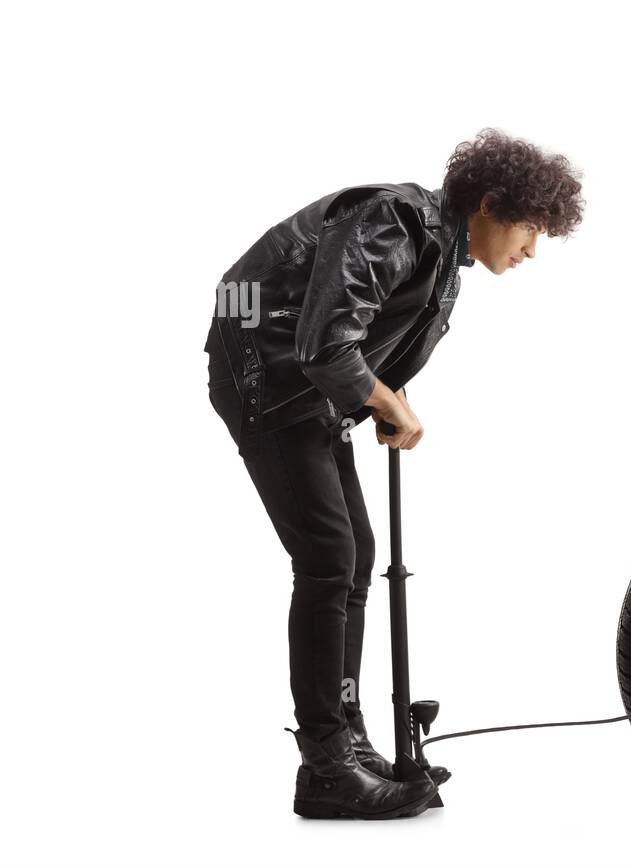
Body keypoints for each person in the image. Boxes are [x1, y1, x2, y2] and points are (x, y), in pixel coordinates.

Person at [203, 129, 585, 819]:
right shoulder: (395, 220)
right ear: (489, 204)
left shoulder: (440, 260)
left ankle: (348, 746)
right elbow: (325, 343)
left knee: (355, 555)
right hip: (266, 376)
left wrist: (387, 395)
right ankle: (325, 768)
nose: (532, 249)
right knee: (328, 557)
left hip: (306, 389)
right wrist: (382, 400)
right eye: (530, 228)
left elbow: (367, 342)